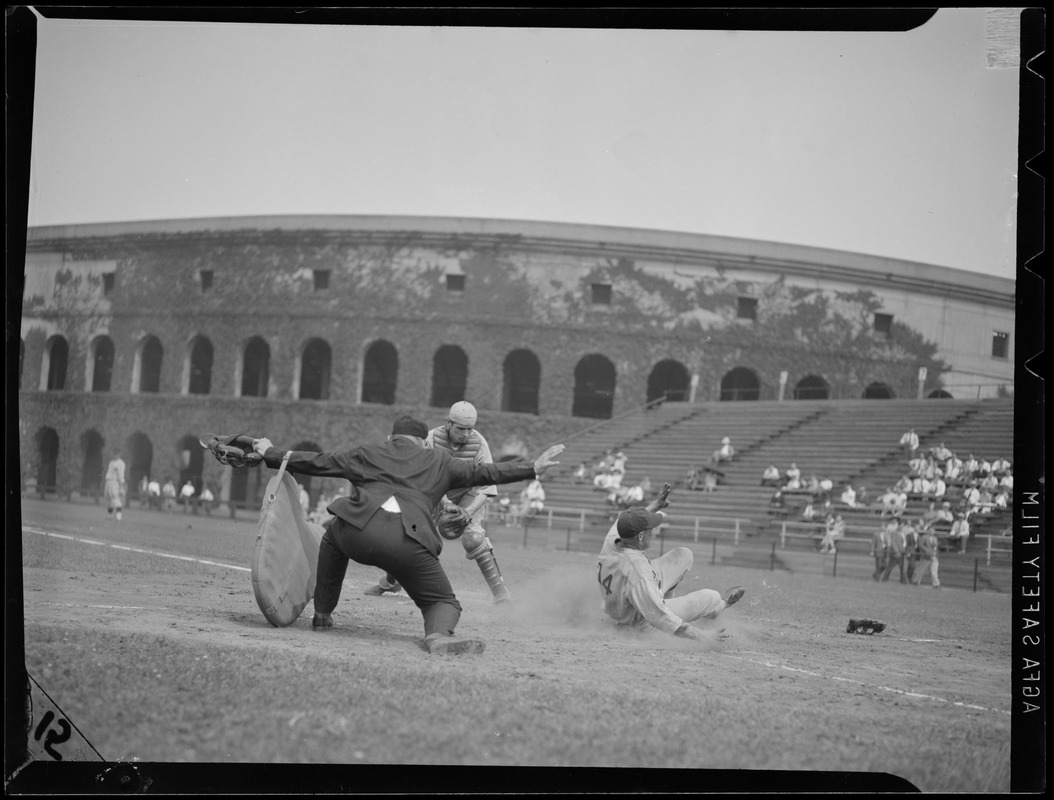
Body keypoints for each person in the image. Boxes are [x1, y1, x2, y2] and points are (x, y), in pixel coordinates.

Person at [251, 415, 564, 655]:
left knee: (332, 537)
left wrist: (271, 453)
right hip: (408, 544)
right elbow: (485, 472)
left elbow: (318, 462)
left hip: (357, 533)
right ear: (424, 442)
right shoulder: (440, 461)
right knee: (443, 601)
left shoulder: (368, 452)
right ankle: (437, 636)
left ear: (391, 438)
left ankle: (322, 614)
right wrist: (532, 469)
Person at [365, 401, 509, 603]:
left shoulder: (479, 444)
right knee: (412, 535)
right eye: (461, 429)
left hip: (469, 493)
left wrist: (467, 512)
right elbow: (426, 477)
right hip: (435, 491)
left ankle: (501, 593)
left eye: (470, 429)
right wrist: (446, 503)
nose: (466, 434)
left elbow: (486, 487)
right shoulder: (431, 439)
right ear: (448, 423)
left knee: (473, 539)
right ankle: (390, 582)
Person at [596, 485, 744, 645]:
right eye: (650, 529)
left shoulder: (614, 537)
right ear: (640, 536)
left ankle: (663, 599)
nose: (654, 532)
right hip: (641, 620)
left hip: (624, 598)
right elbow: (660, 617)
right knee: (711, 597)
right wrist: (701, 635)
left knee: (684, 555)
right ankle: (720, 606)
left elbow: (625, 520)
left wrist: (656, 505)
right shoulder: (639, 573)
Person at [913, 524, 941, 589]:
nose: (932, 531)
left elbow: (936, 547)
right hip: (926, 556)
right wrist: (926, 550)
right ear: (928, 531)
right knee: (921, 569)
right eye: (930, 530)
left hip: (934, 556)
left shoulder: (935, 538)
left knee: (934, 571)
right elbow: (920, 545)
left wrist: (936, 552)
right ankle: (916, 581)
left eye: (933, 530)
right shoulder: (924, 537)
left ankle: (936, 584)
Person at [880, 519, 908, 583]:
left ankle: (903, 580)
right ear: (898, 525)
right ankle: (884, 578)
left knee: (902, 568)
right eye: (901, 525)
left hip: (901, 553)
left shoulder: (903, 533)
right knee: (890, 567)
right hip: (895, 554)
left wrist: (904, 551)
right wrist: (896, 551)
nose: (902, 527)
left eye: (903, 526)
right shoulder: (894, 533)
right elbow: (893, 543)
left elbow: (904, 543)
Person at [103, 453, 127, 521]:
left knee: (115, 497)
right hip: (108, 481)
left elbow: (121, 475)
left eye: (115, 454)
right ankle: (109, 516)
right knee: (108, 498)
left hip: (114, 481)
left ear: (118, 454)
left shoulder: (121, 463)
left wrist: (121, 487)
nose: (113, 455)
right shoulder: (111, 462)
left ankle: (118, 516)